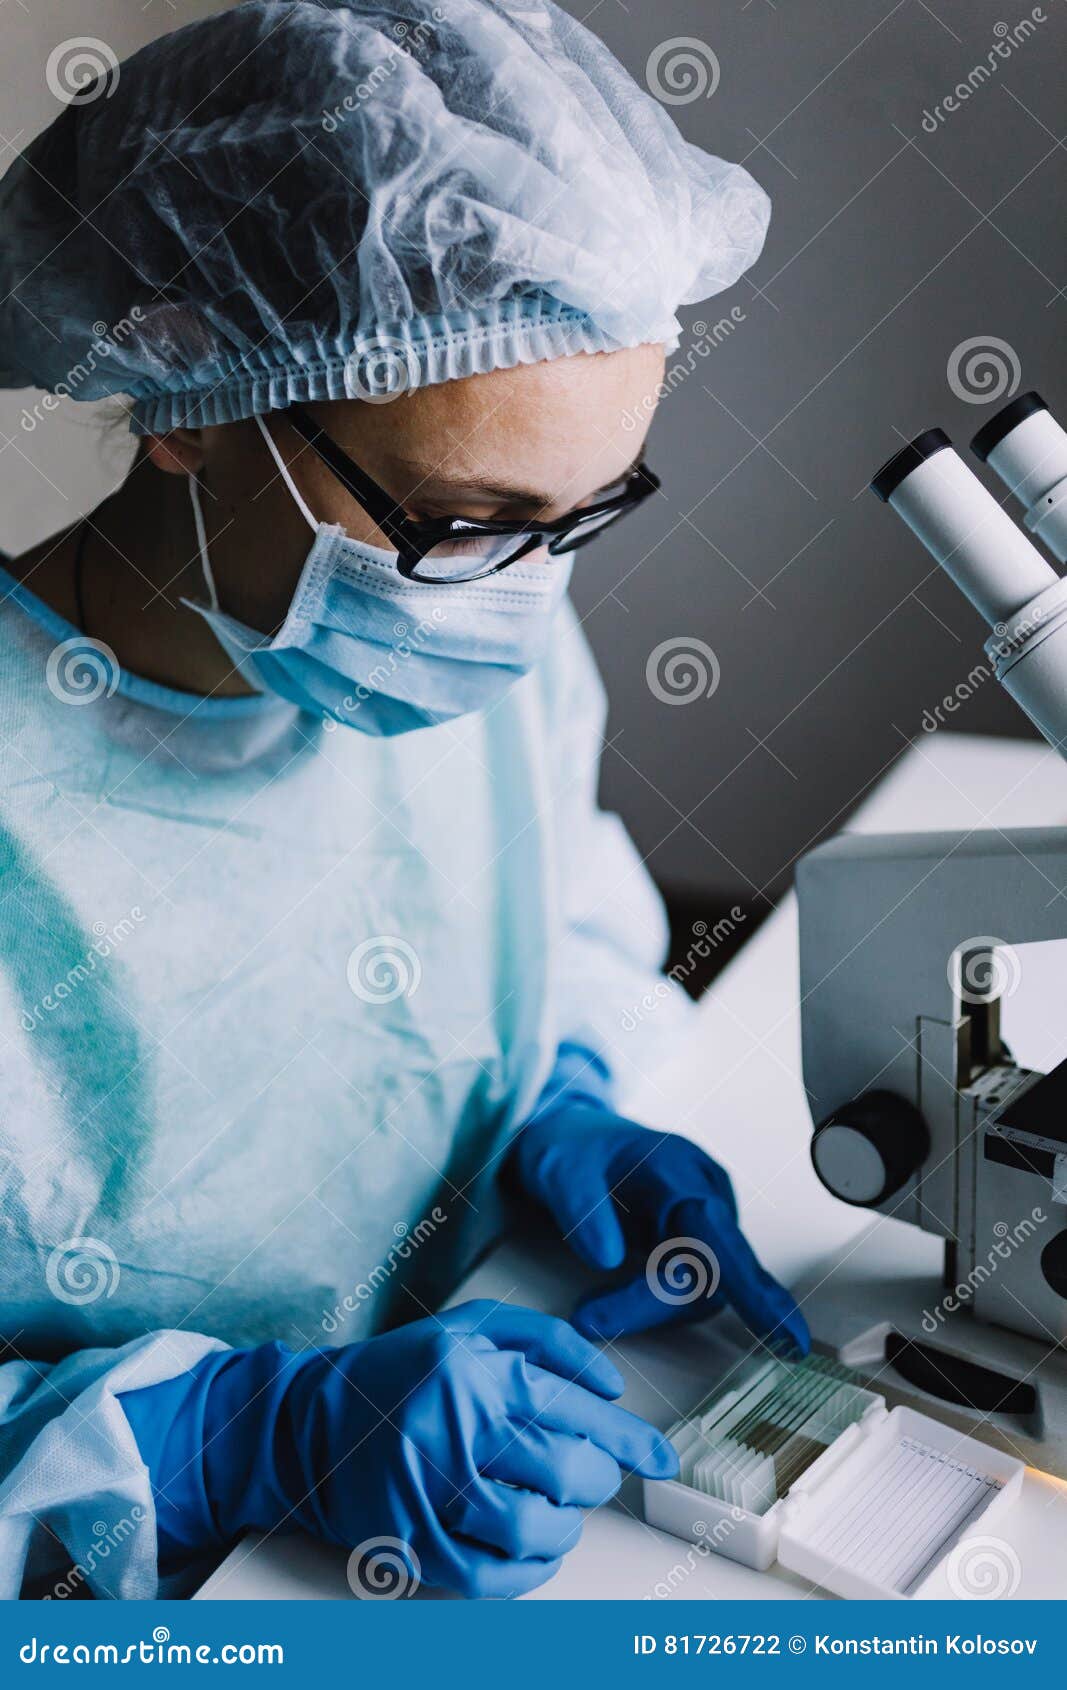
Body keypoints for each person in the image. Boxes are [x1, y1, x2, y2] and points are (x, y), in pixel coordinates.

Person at [0, 0, 807, 1599]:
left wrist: (563, 1092)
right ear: (191, 394)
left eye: (576, 520)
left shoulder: (459, 619)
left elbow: (550, 909)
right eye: (460, 517)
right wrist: (217, 1440)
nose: (515, 595)